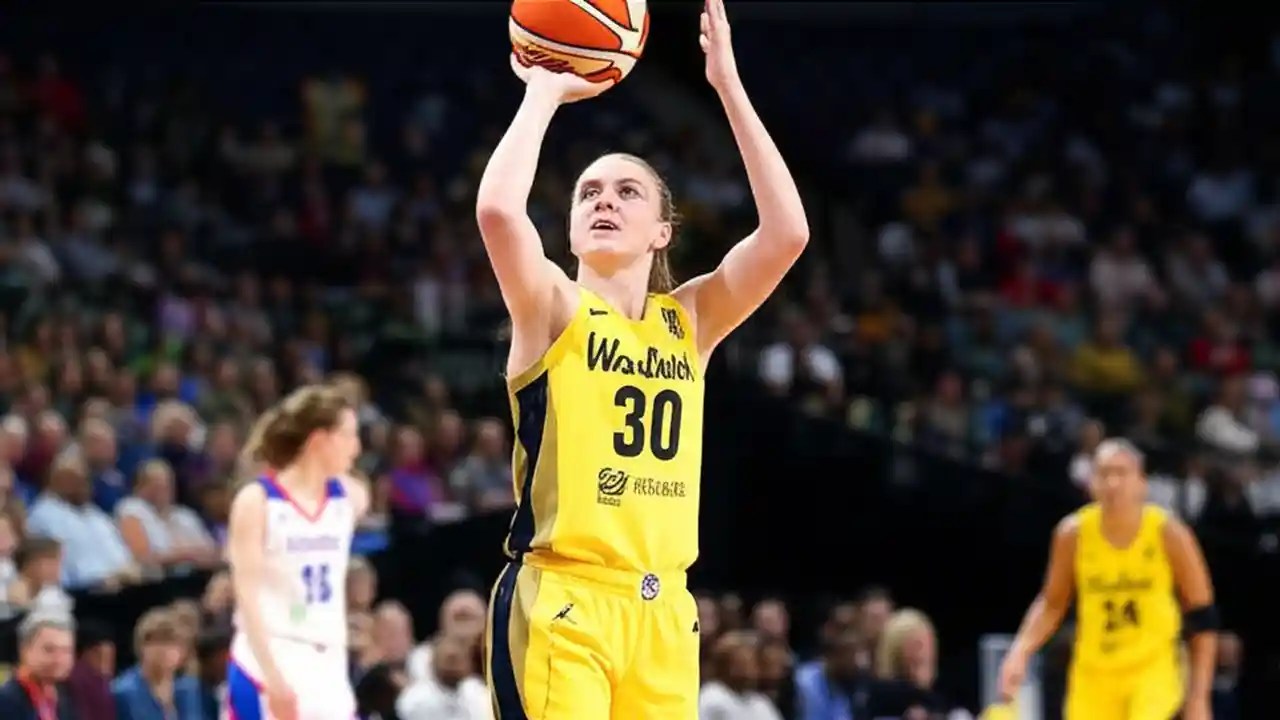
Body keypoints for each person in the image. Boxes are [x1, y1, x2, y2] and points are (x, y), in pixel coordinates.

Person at [476, 0, 808, 715]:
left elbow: (787, 234)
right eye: (588, 193)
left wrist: (727, 86)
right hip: (563, 595)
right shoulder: (552, 307)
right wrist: (543, 91)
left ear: (662, 232)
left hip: (663, 612)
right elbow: (499, 213)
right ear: (570, 230)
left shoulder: (689, 322)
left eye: (627, 192)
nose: (605, 201)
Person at [998, 439, 1218, 720]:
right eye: (1104, 474)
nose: (1113, 483)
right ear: (1092, 484)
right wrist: (1020, 651)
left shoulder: (1169, 533)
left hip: (1152, 672)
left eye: (1122, 473)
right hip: (1094, 674)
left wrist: (1199, 697)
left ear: (1142, 483)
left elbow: (1203, 617)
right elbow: (1052, 603)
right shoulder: (1072, 535)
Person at [224, 384, 370, 720]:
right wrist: (273, 678)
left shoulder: (349, 497)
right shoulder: (258, 501)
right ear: (319, 439)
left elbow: (350, 483)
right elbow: (246, 598)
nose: (357, 447)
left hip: (329, 660)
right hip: (271, 652)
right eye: (349, 435)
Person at [0, 611, 78, 720]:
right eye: (49, 650)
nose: (59, 660)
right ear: (24, 650)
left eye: (66, 651)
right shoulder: (6, 701)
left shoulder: (65, 698)